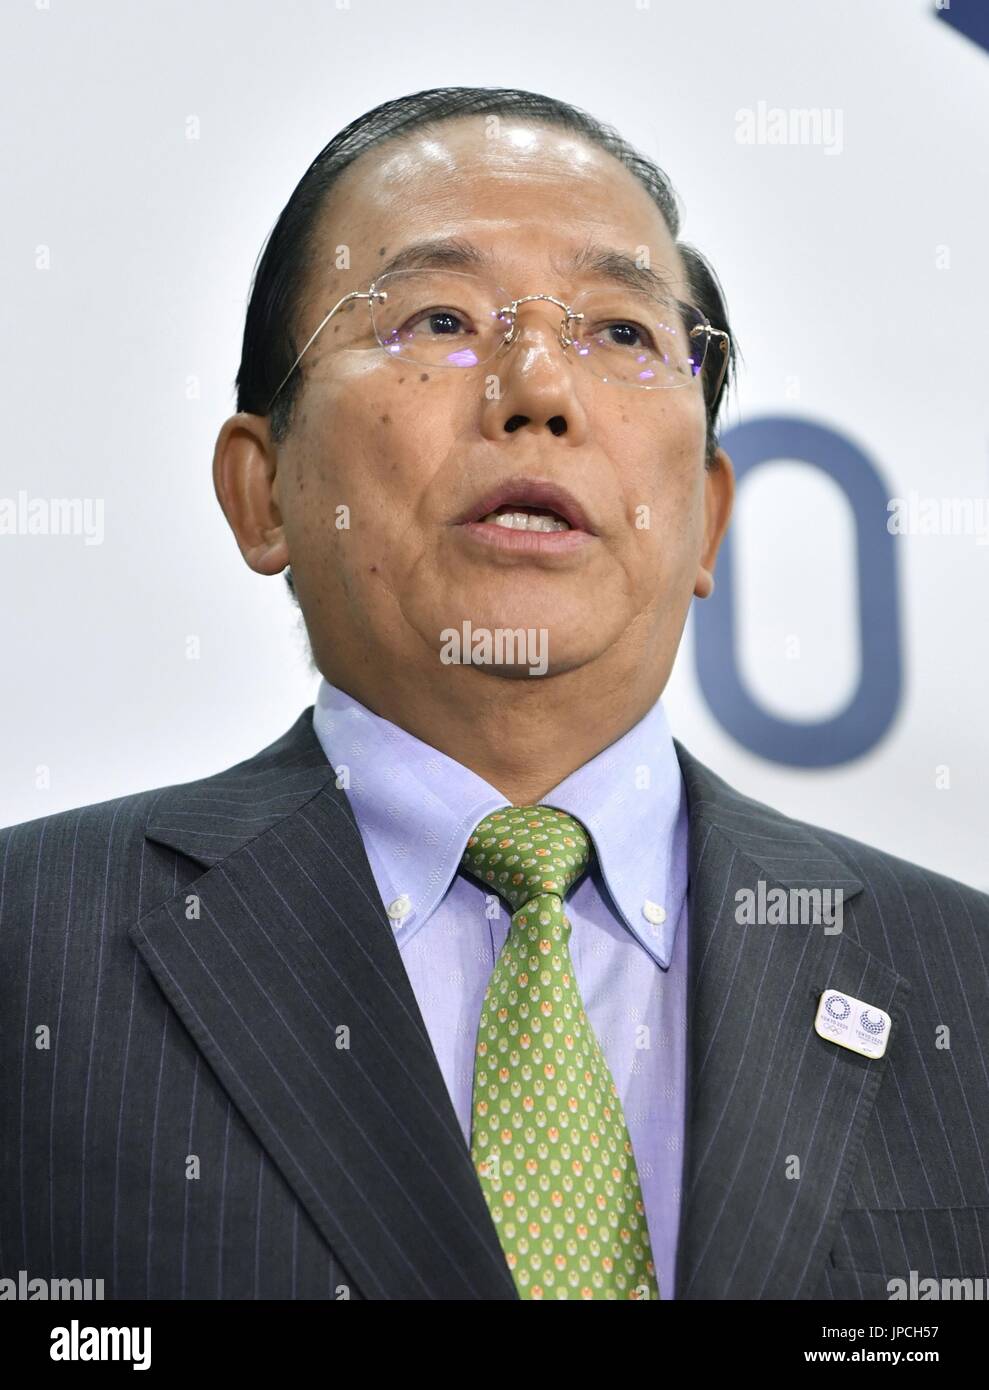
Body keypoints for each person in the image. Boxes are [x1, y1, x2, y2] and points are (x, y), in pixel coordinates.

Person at [2, 86, 986, 1303]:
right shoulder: (27, 950)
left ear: (706, 520)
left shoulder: (962, 982)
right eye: (435, 318)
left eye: (620, 332)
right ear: (262, 493)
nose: (536, 389)